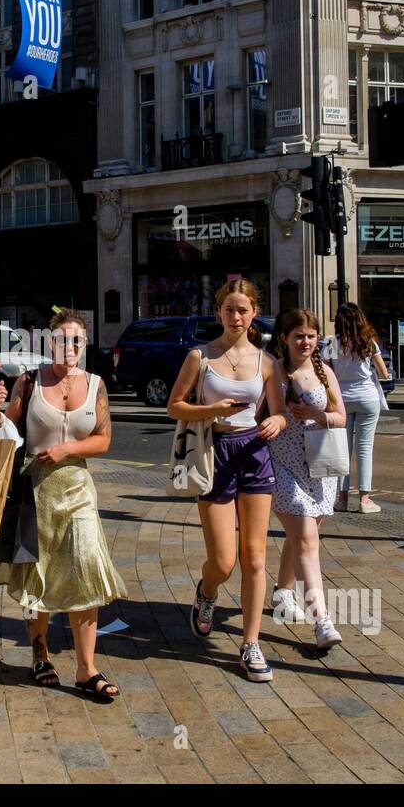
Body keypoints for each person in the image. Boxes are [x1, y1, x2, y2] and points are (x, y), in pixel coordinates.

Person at [0, 309, 127, 701]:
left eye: (77, 340)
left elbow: (103, 439)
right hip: (34, 492)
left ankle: (86, 669)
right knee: (37, 575)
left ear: (85, 343)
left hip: (78, 490)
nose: (70, 346)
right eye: (62, 339)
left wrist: (68, 448)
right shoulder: (28, 382)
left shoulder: (96, 384)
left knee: (86, 569)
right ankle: (41, 655)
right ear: (50, 343)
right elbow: (8, 430)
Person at [167, 279, 288, 682]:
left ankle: (250, 644)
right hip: (213, 454)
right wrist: (210, 410)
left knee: (255, 558)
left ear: (254, 313)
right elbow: (174, 406)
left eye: (243, 310)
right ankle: (207, 590)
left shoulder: (266, 362)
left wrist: (275, 418)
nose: (236, 317)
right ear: (219, 311)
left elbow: (281, 411)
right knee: (223, 560)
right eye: (229, 309)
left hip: (254, 453)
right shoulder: (199, 356)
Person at [269, 309, 347, 651]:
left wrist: (318, 415)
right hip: (283, 466)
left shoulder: (325, 371)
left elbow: (341, 417)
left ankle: (282, 594)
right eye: (298, 335)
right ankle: (323, 620)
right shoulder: (273, 372)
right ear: (284, 338)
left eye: (311, 336)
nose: (305, 341)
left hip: (320, 466)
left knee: (299, 537)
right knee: (306, 541)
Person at [328, 303, 391, 515]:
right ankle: (365, 500)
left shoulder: (332, 344)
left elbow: (325, 373)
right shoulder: (368, 343)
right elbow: (384, 373)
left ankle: (342, 498)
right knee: (365, 449)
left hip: (342, 400)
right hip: (367, 398)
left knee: (343, 450)